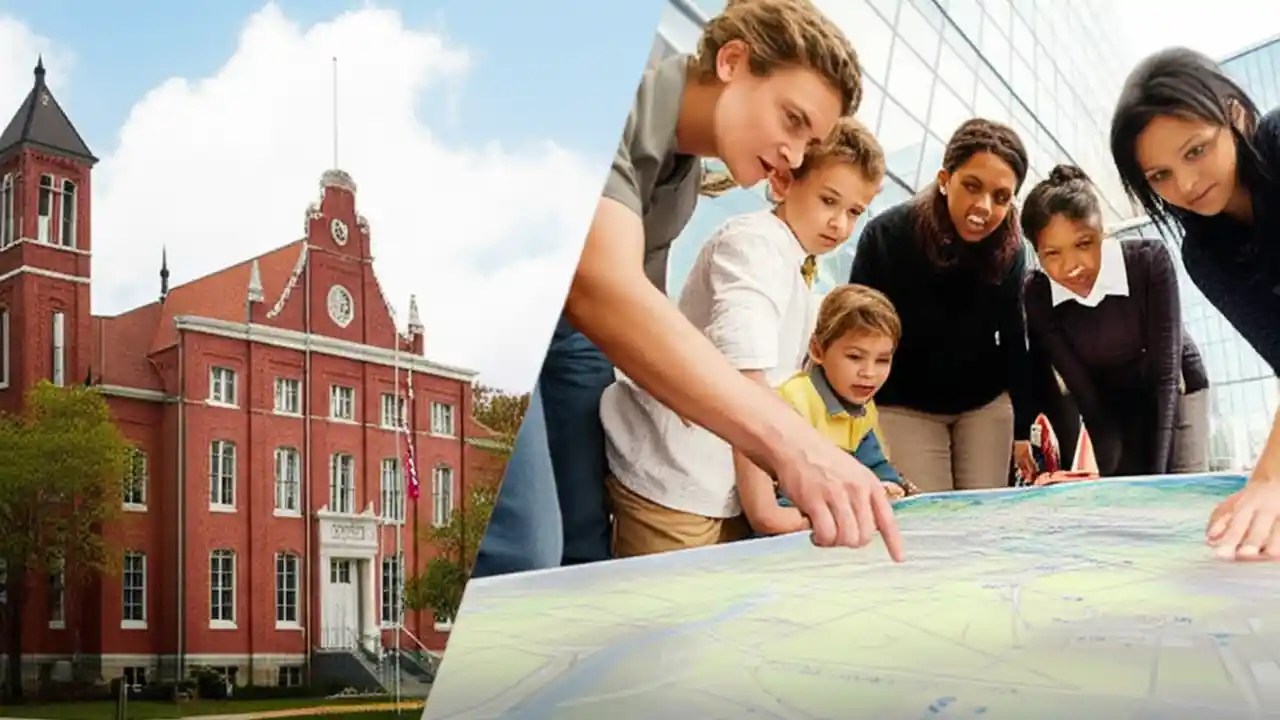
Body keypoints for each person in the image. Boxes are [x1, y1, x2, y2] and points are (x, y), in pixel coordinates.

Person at [473, 0, 904, 578]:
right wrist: (793, 452)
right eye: (792, 120)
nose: (795, 156)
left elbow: (634, 321)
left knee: (583, 548)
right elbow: (606, 291)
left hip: (579, 339)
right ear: (731, 61)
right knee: (521, 545)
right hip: (510, 318)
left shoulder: (684, 179)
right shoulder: (612, 98)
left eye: (811, 141)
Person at [601, 117, 885, 558]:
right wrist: (765, 508)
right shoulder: (753, 245)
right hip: (675, 484)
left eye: (854, 212)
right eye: (829, 200)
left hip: (725, 483)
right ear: (783, 181)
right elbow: (746, 379)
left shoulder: (798, 263)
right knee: (664, 620)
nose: (840, 225)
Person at [1110, 47, 1280, 561]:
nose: (1184, 185)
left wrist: (1271, 477)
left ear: (1235, 115)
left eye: (1195, 150)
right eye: (1159, 176)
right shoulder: (1205, 255)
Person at [848, 118, 1038, 493]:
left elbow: (1016, 342)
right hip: (905, 406)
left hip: (983, 407)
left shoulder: (1012, 249)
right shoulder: (886, 236)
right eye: (971, 186)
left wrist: (1022, 431)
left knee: (983, 522)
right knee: (930, 523)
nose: (984, 207)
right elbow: (855, 331)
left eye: (1001, 197)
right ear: (944, 178)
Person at [1021, 164, 1210, 478]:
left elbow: (1166, 378)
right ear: (1037, 252)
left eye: (1083, 244)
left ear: (1102, 231)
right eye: (1052, 253)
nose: (1070, 267)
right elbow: (1087, 397)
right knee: (1125, 486)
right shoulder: (1038, 294)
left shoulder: (1149, 262)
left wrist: (1161, 480)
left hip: (1175, 384)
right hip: (1110, 396)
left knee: (1180, 487)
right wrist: (1114, 476)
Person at [741, 284, 919, 537]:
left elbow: (874, 464)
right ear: (817, 350)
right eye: (855, 357)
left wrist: (892, 486)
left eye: (882, 360)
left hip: (837, 530)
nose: (868, 373)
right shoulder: (790, 404)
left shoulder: (863, 406)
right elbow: (780, 500)